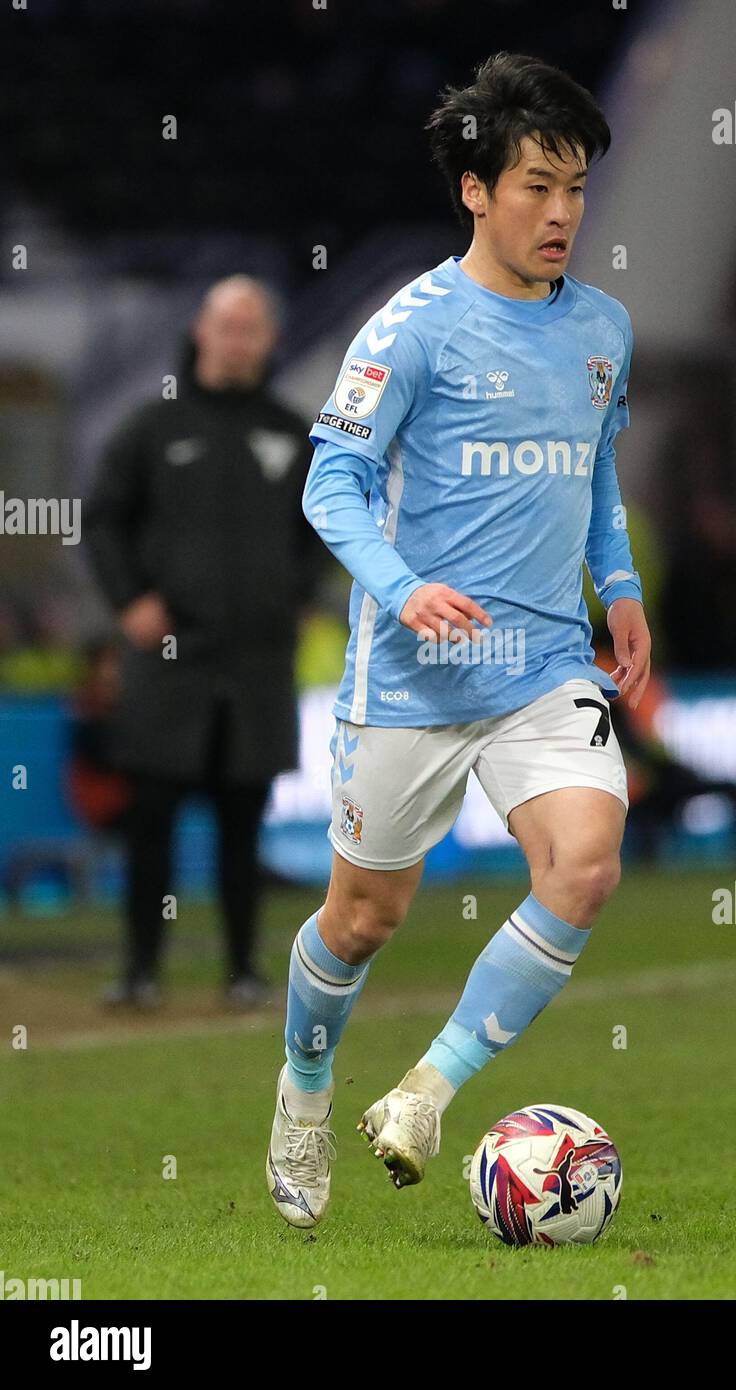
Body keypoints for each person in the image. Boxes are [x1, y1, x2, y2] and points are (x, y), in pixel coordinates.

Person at [266, 53, 652, 1228]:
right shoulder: (412, 328)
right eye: (538, 186)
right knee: (362, 922)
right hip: (414, 675)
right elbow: (329, 484)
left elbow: (595, 470)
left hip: (544, 664)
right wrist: (403, 587)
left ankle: (426, 1094)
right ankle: (305, 1091)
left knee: (586, 865)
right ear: (477, 191)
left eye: (576, 188)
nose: (562, 213)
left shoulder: (604, 328)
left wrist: (620, 586)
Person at [85, 276, 327, 1009]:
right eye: (226, 325)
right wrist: (129, 600)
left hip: (256, 663)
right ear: (201, 332)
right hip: (169, 662)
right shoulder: (153, 428)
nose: (236, 340)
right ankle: (139, 971)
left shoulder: (293, 433)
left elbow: (327, 524)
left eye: (250, 327)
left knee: (243, 821)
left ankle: (244, 970)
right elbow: (102, 519)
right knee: (150, 818)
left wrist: (297, 593)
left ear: (269, 339)